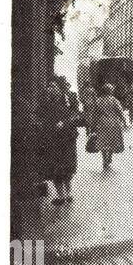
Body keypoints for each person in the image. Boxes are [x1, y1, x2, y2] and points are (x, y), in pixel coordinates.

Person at [39, 78, 82, 206]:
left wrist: (65, 123)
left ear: (60, 88)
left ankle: (68, 194)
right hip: (53, 139)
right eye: (49, 86)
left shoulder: (69, 100)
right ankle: (60, 196)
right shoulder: (45, 102)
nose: (50, 89)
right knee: (55, 168)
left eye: (53, 86)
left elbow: (77, 116)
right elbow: (39, 115)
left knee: (68, 167)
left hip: (67, 138)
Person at [93, 83, 128, 172]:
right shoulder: (114, 100)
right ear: (110, 91)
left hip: (102, 123)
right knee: (112, 141)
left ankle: (105, 158)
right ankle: (110, 157)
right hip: (113, 124)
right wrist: (124, 122)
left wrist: (93, 125)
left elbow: (95, 113)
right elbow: (120, 112)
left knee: (103, 142)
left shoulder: (98, 100)